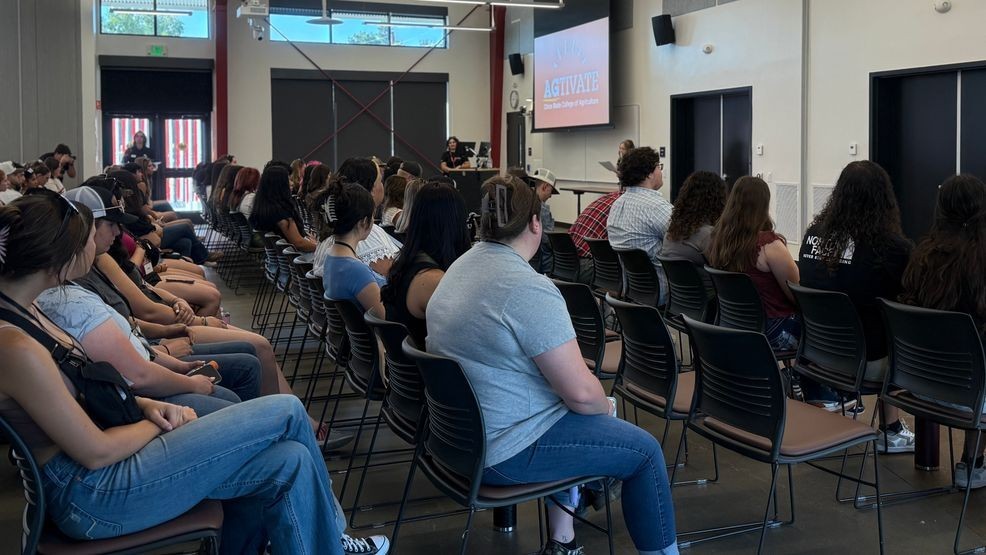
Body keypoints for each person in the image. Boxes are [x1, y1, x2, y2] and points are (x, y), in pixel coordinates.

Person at [0, 192, 390, 555]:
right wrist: (164, 418)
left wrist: (147, 404)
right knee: (286, 410)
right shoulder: (15, 346)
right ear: (55, 255)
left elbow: (83, 394)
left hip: (107, 461)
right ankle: (334, 540)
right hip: (93, 492)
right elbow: (95, 451)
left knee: (290, 461)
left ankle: (324, 541)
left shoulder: (27, 312)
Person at [427, 175, 678, 555]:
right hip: (504, 451)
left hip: (455, 441)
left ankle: (564, 542)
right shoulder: (527, 288)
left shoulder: (458, 270)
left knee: (568, 411)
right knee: (644, 452)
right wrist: (604, 408)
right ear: (535, 222)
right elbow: (581, 395)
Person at [798, 160, 914, 448]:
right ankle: (893, 430)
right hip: (866, 361)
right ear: (884, 199)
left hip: (818, 353)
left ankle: (892, 426)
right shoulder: (891, 250)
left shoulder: (814, 235)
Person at [900, 174, 986, 487]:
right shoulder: (980, 263)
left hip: (917, 383)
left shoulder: (920, 257)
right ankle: (971, 465)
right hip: (968, 393)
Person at [708, 176, 801, 351]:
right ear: (764, 205)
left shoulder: (718, 239)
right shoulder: (770, 245)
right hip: (773, 331)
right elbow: (797, 295)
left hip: (733, 325)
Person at [381, 183, 469, 346]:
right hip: (429, 368)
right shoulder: (432, 280)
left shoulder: (407, 262)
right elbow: (467, 336)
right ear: (455, 225)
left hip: (414, 366)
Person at [310, 158, 400, 282]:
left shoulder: (338, 227)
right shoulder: (363, 233)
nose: (382, 186)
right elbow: (394, 277)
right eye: (380, 181)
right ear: (371, 190)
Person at [607, 146, 672, 305]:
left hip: (631, 291)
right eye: (659, 167)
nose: (661, 171)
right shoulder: (658, 208)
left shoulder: (616, 205)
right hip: (661, 292)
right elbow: (685, 243)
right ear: (649, 173)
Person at [321, 179, 385, 314]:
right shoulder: (356, 270)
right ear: (363, 222)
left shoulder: (330, 256)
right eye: (372, 216)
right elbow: (383, 316)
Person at [660, 170, 727, 265]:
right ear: (716, 201)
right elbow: (725, 269)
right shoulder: (707, 235)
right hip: (706, 280)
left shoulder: (670, 232)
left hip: (676, 280)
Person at [250, 165, 316, 252]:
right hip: (296, 259)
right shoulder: (281, 214)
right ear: (279, 185)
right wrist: (320, 249)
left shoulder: (264, 208)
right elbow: (299, 243)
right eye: (288, 179)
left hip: (279, 261)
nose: (292, 183)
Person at [530, 168, 558, 274]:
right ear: (545, 187)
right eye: (551, 191)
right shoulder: (542, 209)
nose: (550, 196)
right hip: (542, 267)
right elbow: (547, 240)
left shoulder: (523, 203)